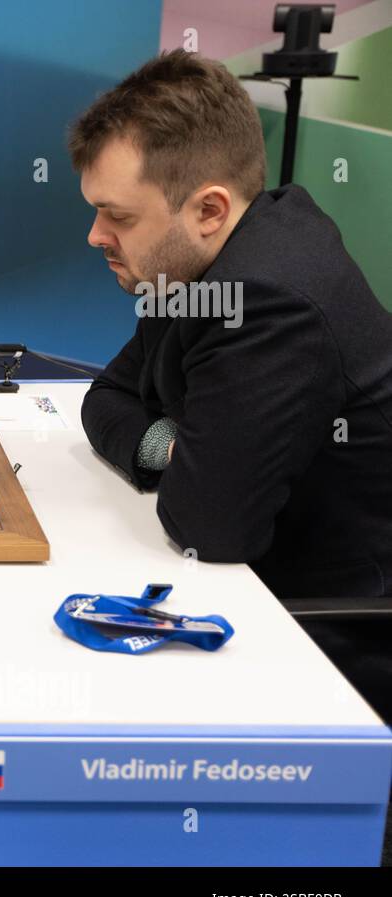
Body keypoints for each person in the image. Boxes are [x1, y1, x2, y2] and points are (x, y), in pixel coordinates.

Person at [70, 51, 392, 720]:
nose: (95, 234)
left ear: (210, 209)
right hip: (254, 588)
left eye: (118, 216)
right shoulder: (197, 265)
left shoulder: (267, 297)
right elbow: (106, 397)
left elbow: (208, 526)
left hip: (328, 637)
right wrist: (174, 446)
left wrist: (188, 461)